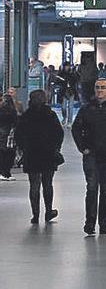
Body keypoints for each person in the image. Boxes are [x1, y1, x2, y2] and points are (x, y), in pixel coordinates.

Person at [72, 79, 106, 236]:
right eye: (97, 88)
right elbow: (76, 129)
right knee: (92, 188)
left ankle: (104, 223)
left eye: (103, 88)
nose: (100, 91)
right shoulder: (87, 109)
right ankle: (90, 223)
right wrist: (83, 148)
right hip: (92, 155)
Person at [14, 90, 63, 224]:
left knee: (34, 185)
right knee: (48, 184)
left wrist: (24, 148)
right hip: (48, 153)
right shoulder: (50, 115)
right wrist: (56, 147)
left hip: (31, 153)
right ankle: (48, 211)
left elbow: (18, 135)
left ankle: (35, 215)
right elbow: (59, 133)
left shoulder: (26, 116)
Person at [0, 87, 22, 180]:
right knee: (9, 154)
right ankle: (6, 172)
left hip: (2, 135)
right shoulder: (13, 112)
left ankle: (2, 172)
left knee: (2, 153)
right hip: (10, 136)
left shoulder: (1, 111)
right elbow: (17, 122)